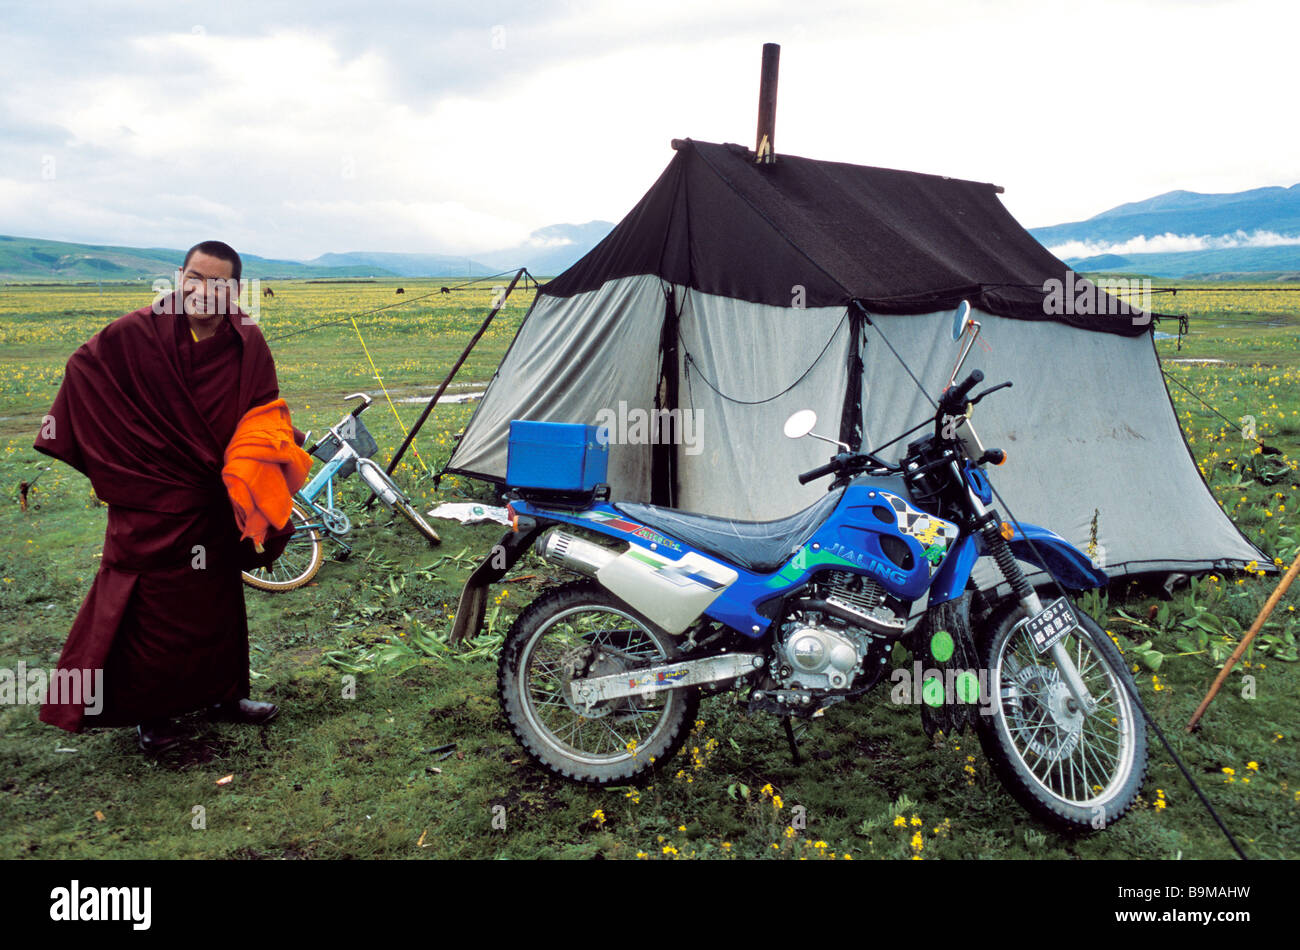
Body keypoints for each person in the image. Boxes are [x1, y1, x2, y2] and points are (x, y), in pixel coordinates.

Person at [35, 240, 295, 753]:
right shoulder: (140, 331)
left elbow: (264, 410)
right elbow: (84, 371)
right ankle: (153, 717)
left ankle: (224, 696)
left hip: (211, 498)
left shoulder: (246, 340)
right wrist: (120, 462)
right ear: (179, 277)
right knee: (147, 611)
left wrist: (259, 463)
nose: (203, 290)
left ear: (234, 289)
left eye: (217, 282)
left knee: (216, 603)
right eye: (195, 277)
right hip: (151, 499)